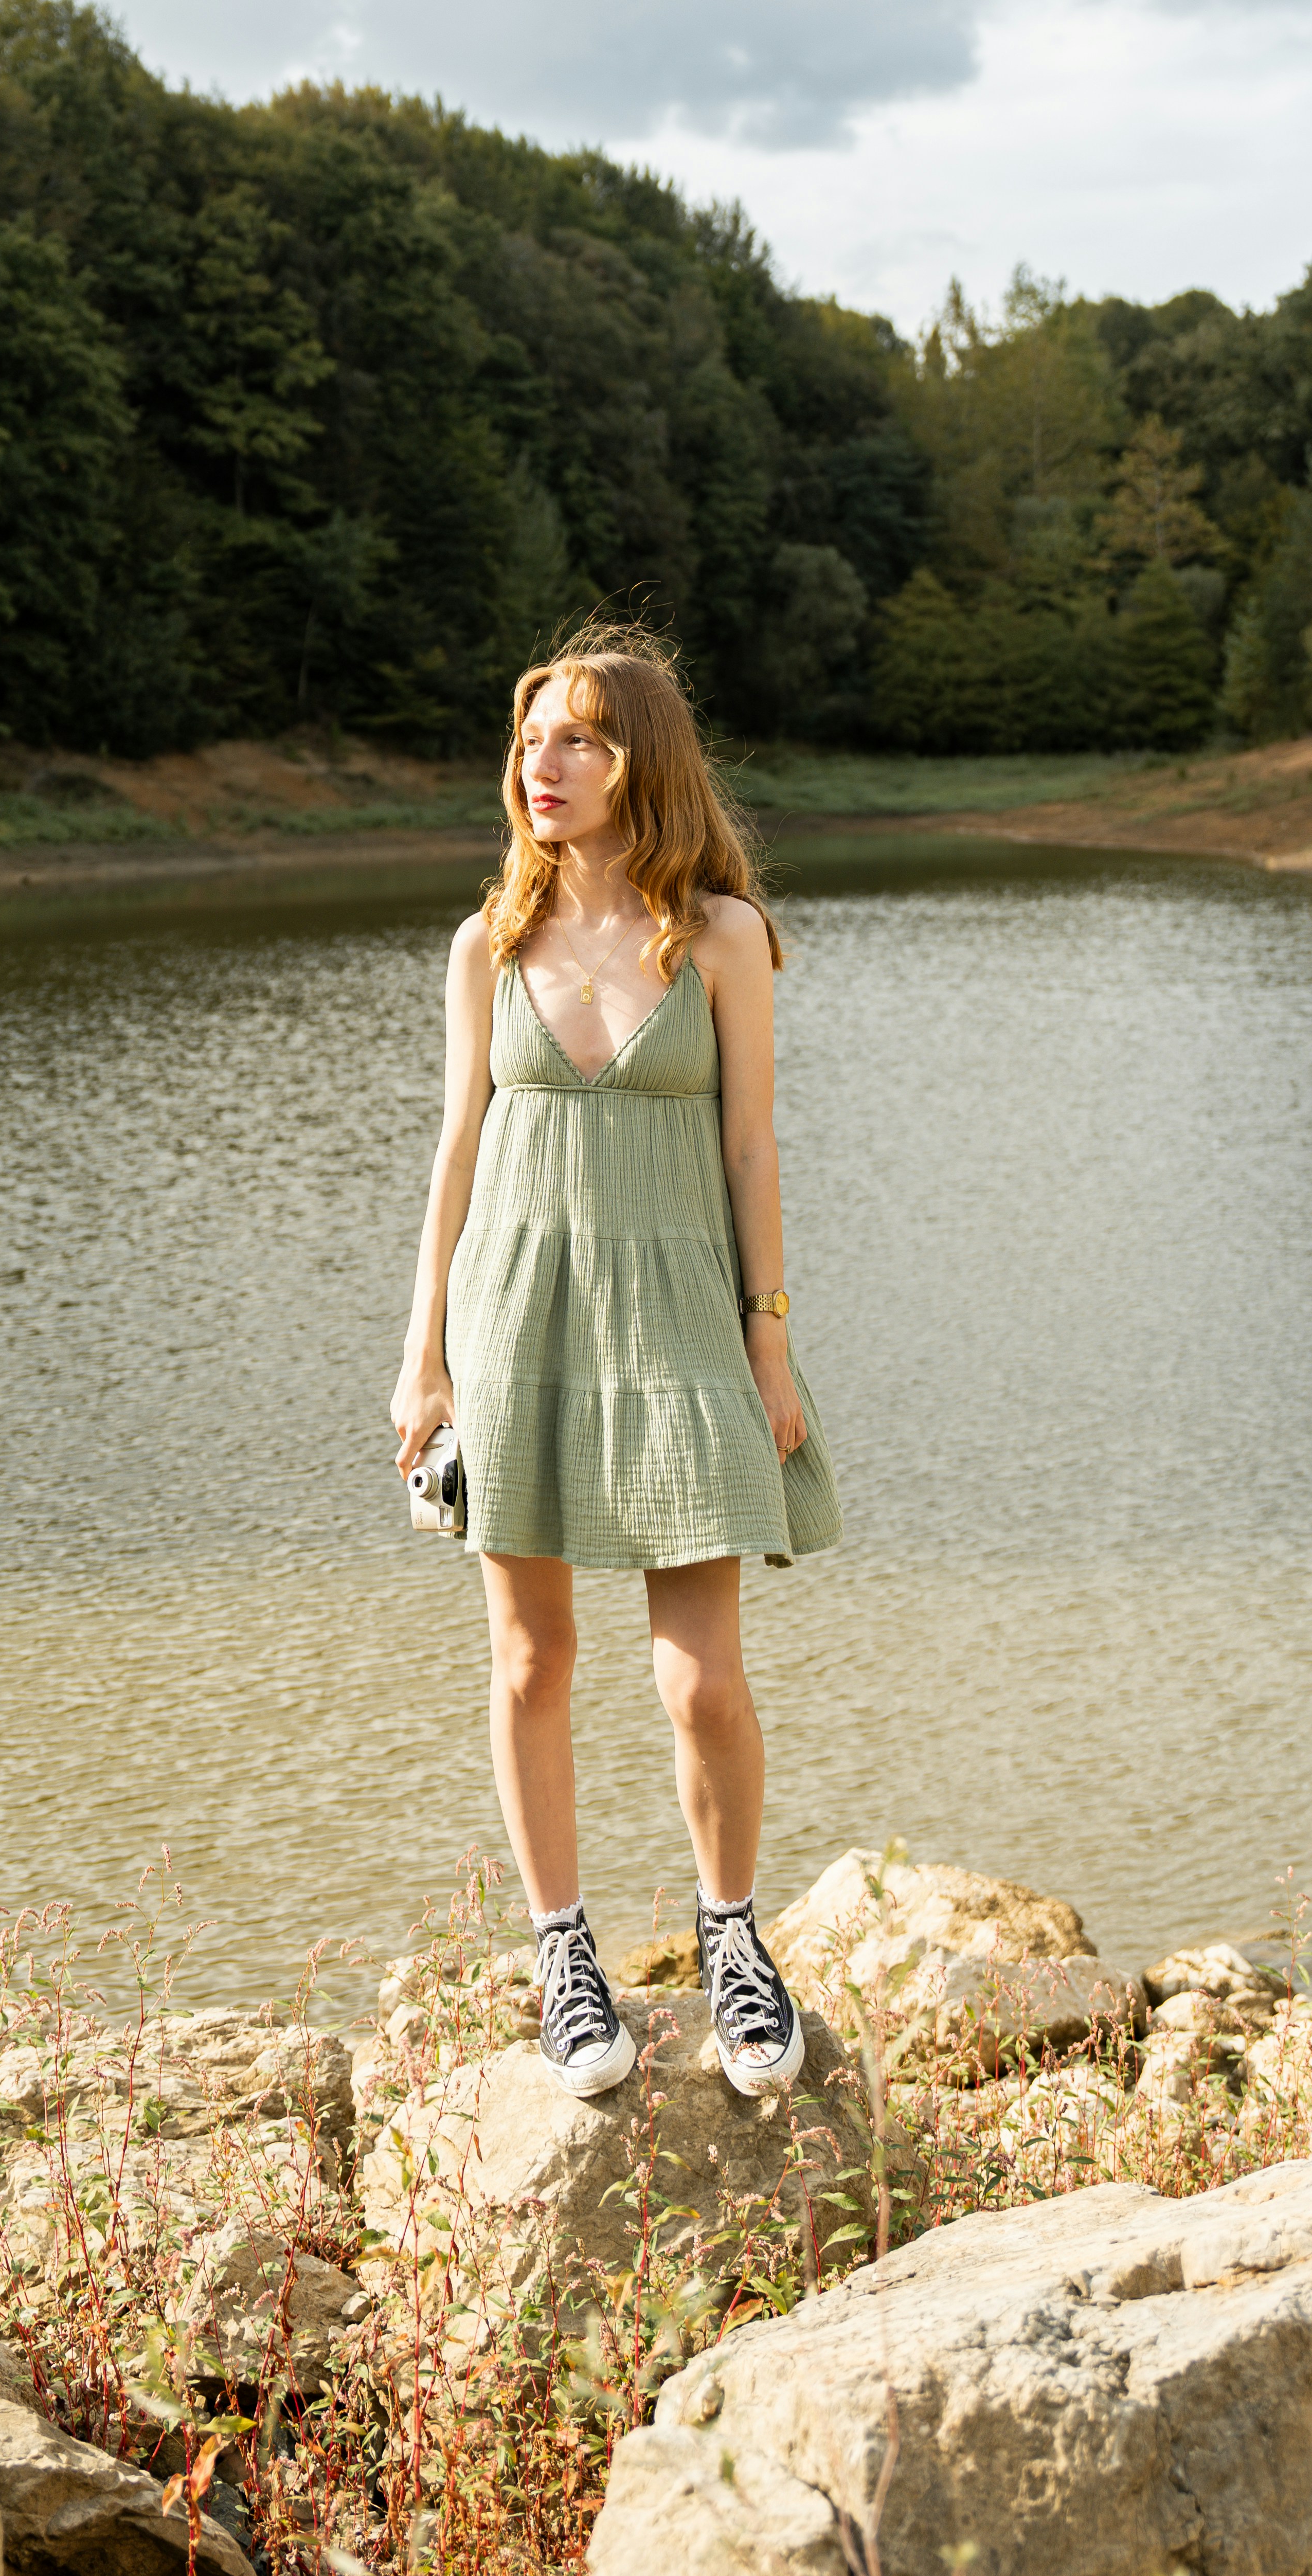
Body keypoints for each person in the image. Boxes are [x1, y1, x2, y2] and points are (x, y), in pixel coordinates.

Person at [390, 622, 843, 2100]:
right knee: (531, 1655)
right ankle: (564, 1954)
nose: (544, 764)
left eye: (578, 739)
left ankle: (732, 1939)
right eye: (530, 740)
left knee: (700, 1679)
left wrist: (771, 1338)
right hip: (513, 1316)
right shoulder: (488, 943)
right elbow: (456, 1154)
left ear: (641, 760)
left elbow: (753, 1146)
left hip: (678, 1320)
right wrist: (421, 1357)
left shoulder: (720, 937)